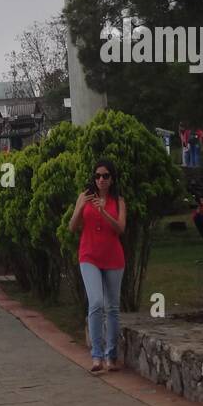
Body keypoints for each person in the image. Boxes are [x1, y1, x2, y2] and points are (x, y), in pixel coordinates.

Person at [68, 158, 126, 374]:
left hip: (113, 257)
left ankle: (111, 356)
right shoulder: (84, 197)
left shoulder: (118, 200)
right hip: (89, 255)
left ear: (112, 179)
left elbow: (120, 229)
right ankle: (96, 356)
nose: (101, 179)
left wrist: (104, 212)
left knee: (112, 307)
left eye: (105, 176)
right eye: (97, 176)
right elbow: (72, 227)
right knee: (96, 302)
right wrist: (80, 207)